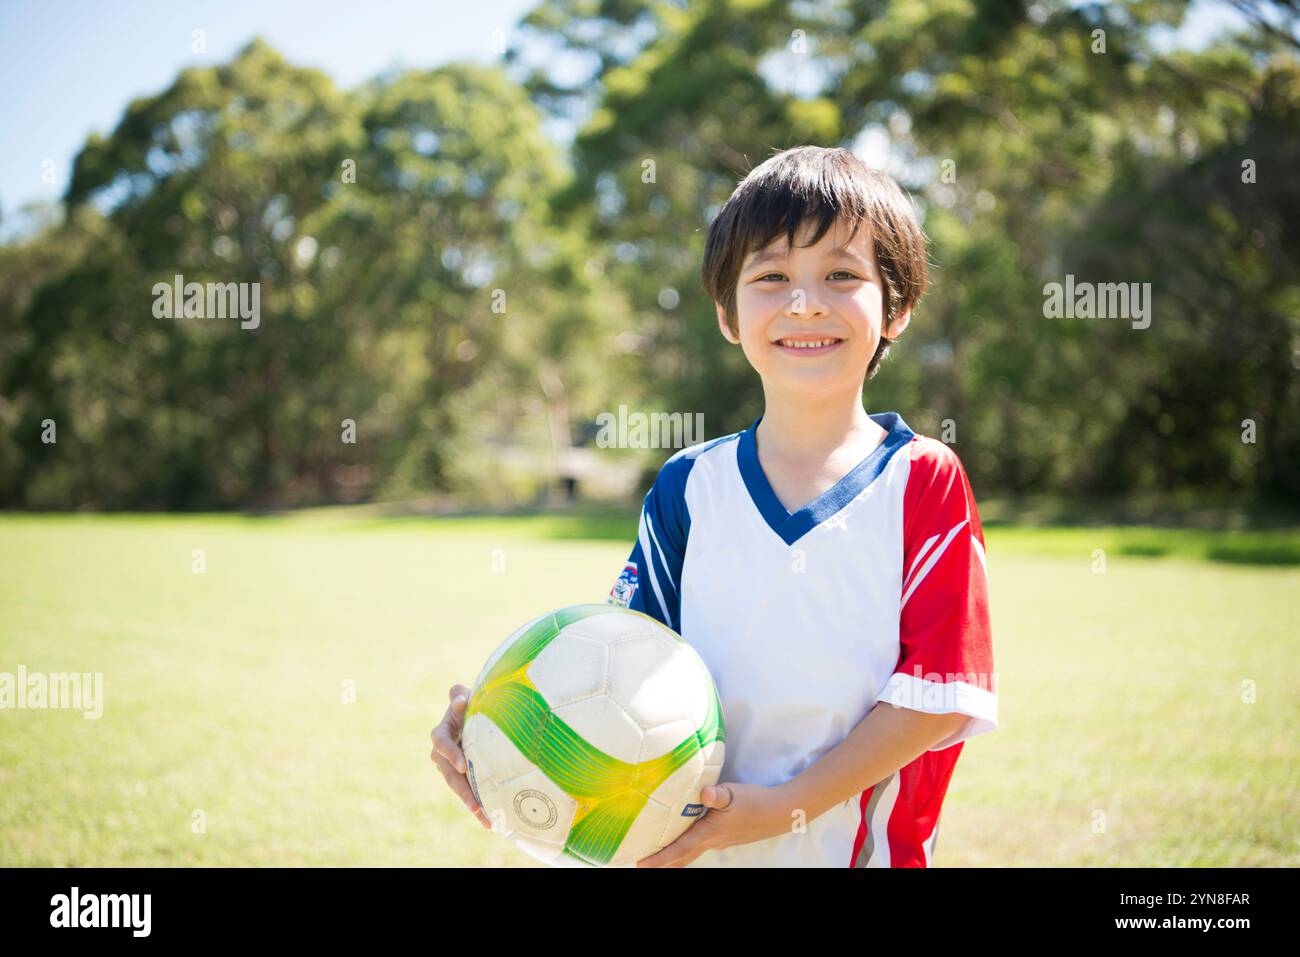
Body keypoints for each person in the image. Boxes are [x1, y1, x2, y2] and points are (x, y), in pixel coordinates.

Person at [432, 145, 997, 867]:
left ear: (899, 306)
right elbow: (618, 667)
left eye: (841, 275)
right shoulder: (688, 487)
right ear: (728, 314)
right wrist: (489, 726)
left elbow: (941, 695)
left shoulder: (923, 480)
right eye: (771, 277)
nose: (804, 302)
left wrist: (788, 805)